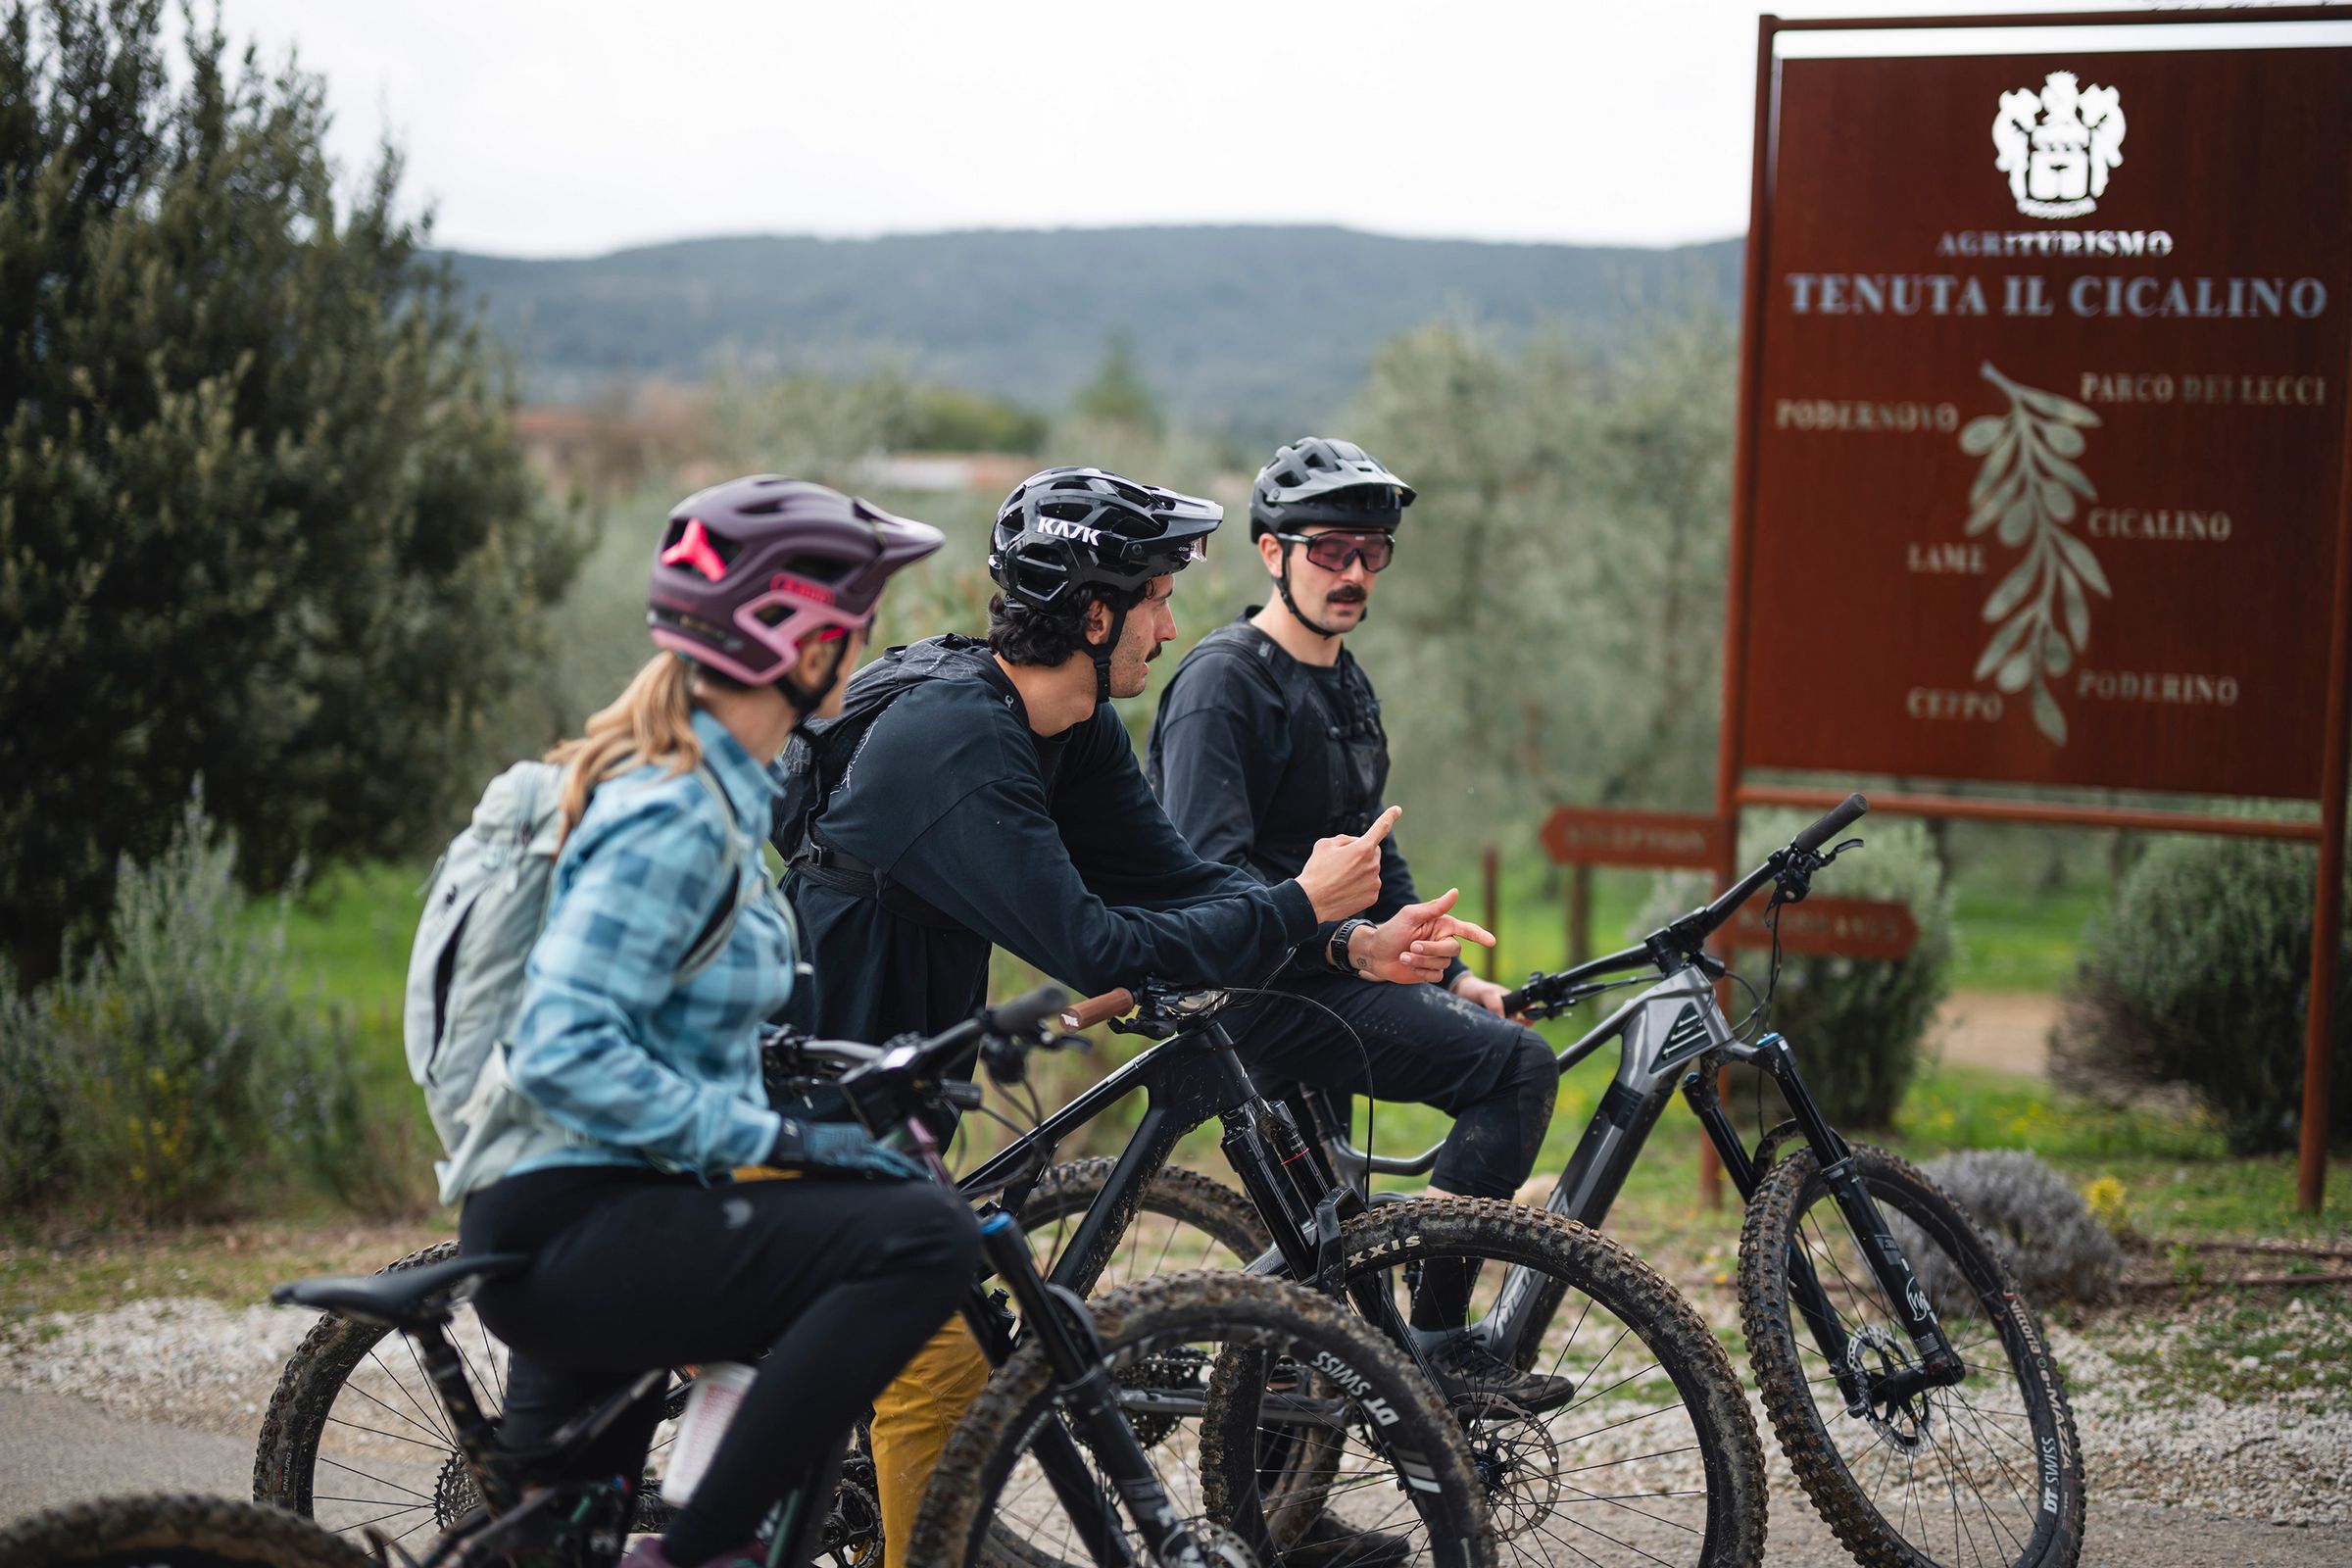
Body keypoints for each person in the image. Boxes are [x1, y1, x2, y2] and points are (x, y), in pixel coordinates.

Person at [781, 465, 1480, 1567]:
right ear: (1094, 614)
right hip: (802, 1096)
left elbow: (1175, 882)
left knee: (896, 1353)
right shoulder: (958, 738)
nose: (1171, 625)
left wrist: (1347, 942)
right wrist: (1300, 904)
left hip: (890, 1092)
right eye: (1156, 599)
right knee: (941, 1362)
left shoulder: (1072, 726)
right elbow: (1095, 949)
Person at [455, 475, 972, 1568]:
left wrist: (815, 1071)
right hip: (578, 1226)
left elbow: (668, 1014)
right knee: (920, 1236)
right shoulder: (675, 815)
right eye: (857, 623)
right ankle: (699, 1551)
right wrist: (773, 1136)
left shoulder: (720, 792)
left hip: (607, 1213)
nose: (868, 645)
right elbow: (564, 1049)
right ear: (798, 639)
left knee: (550, 1552)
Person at [1146, 435, 1563, 1395]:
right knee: (1515, 1070)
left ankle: (1299, 1478)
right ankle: (1441, 1339)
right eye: (1330, 549)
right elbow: (1210, 879)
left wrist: (1452, 973)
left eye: (1372, 551)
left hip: (1320, 978)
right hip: (1252, 994)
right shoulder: (1223, 685)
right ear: (1271, 551)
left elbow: (1371, 851)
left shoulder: (1343, 680)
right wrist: (1349, 943)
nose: (1354, 572)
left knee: (1328, 1288)